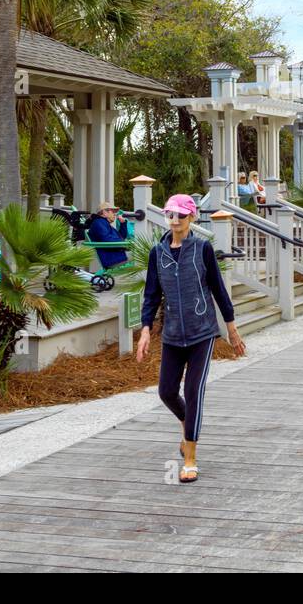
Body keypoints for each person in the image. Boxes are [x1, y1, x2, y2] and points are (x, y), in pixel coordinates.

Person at [136, 193, 246, 483]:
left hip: (202, 332)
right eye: (170, 215)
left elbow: (218, 290)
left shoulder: (202, 249)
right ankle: (189, 425)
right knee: (166, 392)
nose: (174, 220)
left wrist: (231, 328)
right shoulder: (156, 253)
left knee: (194, 391)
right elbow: (151, 294)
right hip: (172, 333)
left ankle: (190, 458)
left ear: (192, 218)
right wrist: (145, 329)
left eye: (180, 216)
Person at [86, 202, 129, 270]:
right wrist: (125, 243)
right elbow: (107, 239)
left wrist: (123, 224)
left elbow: (121, 237)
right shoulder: (98, 223)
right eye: (112, 211)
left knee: (142, 255)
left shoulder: (104, 223)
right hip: (112, 259)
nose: (115, 214)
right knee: (141, 256)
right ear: (104, 212)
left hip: (116, 256)